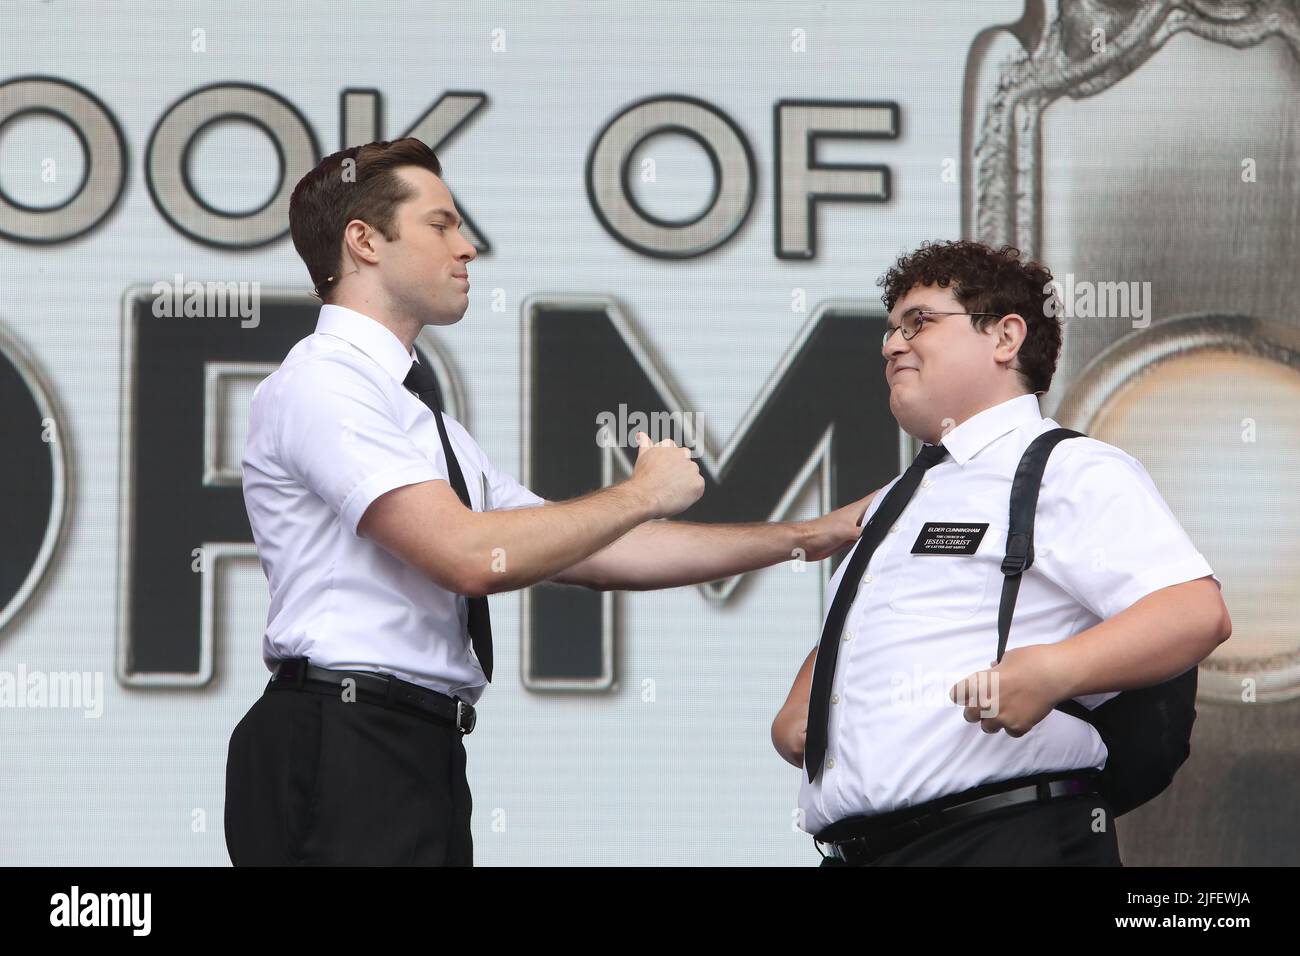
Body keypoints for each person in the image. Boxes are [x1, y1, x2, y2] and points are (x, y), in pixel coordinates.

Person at [224, 137, 876, 866]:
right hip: (343, 738)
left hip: (412, 745)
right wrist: (641, 492)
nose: (468, 247)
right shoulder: (323, 383)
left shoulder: (425, 423)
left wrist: (807, 536)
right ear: (364, 241)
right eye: (441, 225)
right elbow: (469, 558)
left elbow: (595, 551)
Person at [771, 239, 1231, 866]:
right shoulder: (899, 498)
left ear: (1005, 337)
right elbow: (909, 623)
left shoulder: (1067, 468)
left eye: (919, 323)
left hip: (1001, 841)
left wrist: (1052, 672)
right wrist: (814, 685)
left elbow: (1193, 612)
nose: (891, 345)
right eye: (889, 331)